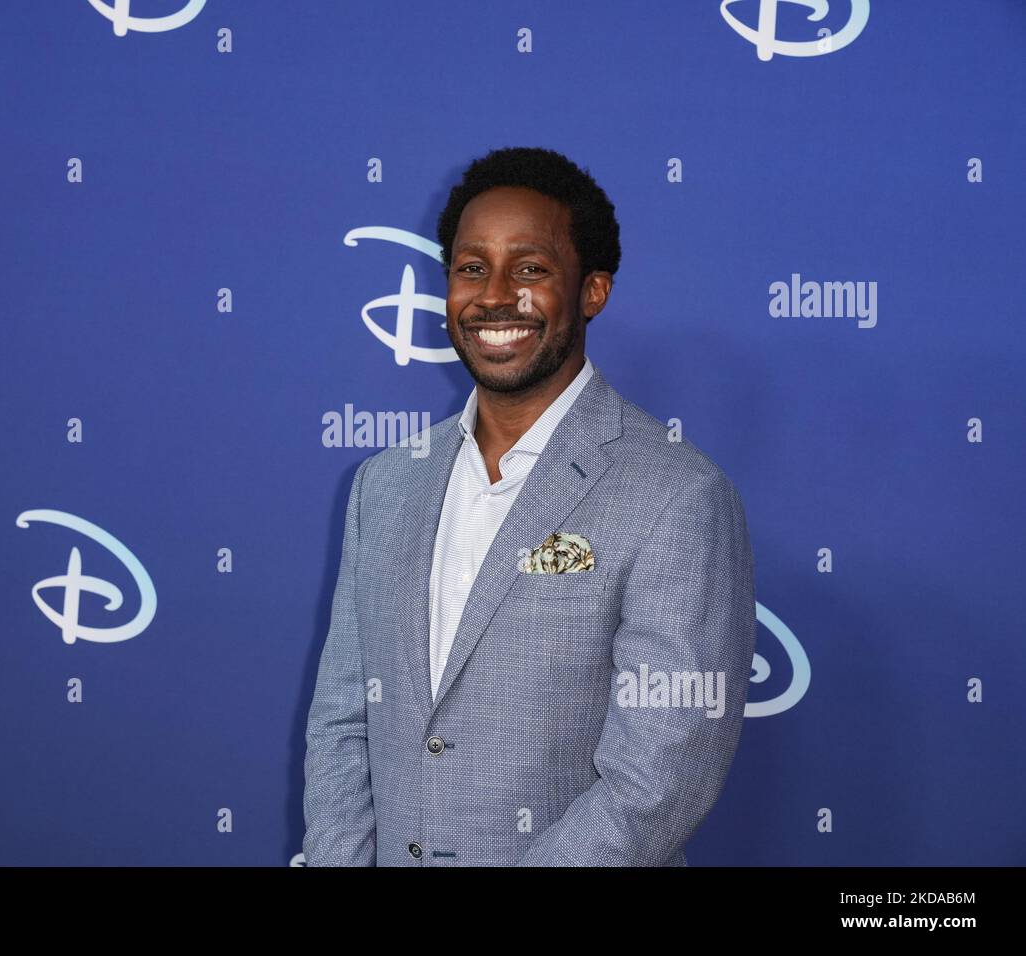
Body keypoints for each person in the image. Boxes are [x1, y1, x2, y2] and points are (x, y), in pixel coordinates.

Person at [303, 146, 756, 866]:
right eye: (471, 267)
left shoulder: (677, 495)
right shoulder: (384, 484)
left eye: (532, 268)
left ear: (593, 290)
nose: (494, 296)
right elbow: (343, 723)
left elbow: (659, 779)